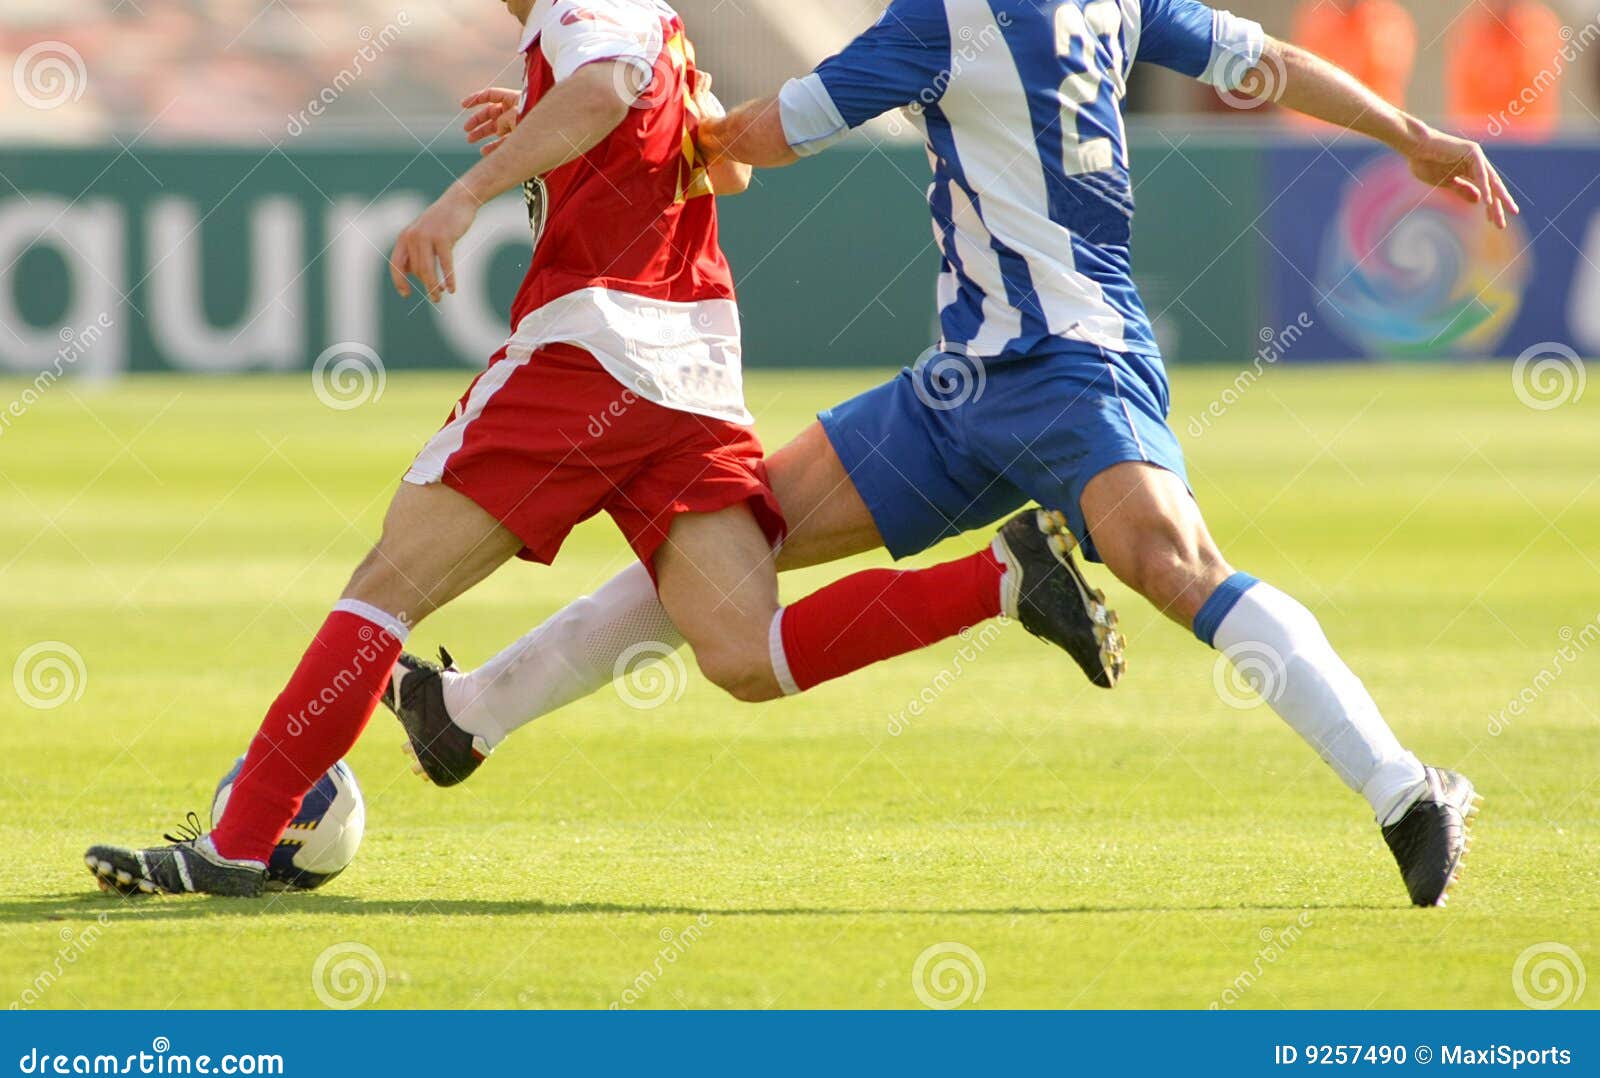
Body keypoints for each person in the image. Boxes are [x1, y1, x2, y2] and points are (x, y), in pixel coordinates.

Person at [383, 0, 1517, 908]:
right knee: (733, 543)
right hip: (960, 384)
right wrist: (1407, 133)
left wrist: (605, 118)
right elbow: (1259, 59)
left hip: (1077, 363)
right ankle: (469, 708)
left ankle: (1407, 788)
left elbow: (748, 141)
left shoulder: (939, 21)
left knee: (1170, 562)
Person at [81, 0, 1101, 898]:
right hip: (693, 372)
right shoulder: (652, 22)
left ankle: (236, 840)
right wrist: (548, 122)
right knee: (749, 654)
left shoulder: (590, 12)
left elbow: (608, 90)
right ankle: (1006, 577)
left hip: (593, 352)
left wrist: (468, 190)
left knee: (382, 586)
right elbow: (725, 164)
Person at [1449, 0, 1565, 139]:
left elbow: (1529, 95)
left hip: (1528, 144)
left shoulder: (1539, 29)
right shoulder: (1469, 31)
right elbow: (1467, 109)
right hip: (1477, 140)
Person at [1287, 0, 1414, 127]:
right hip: (1312, 133)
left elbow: (1381, 79)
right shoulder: (1318, 17)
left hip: (1373, 130)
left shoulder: (1387, 21)